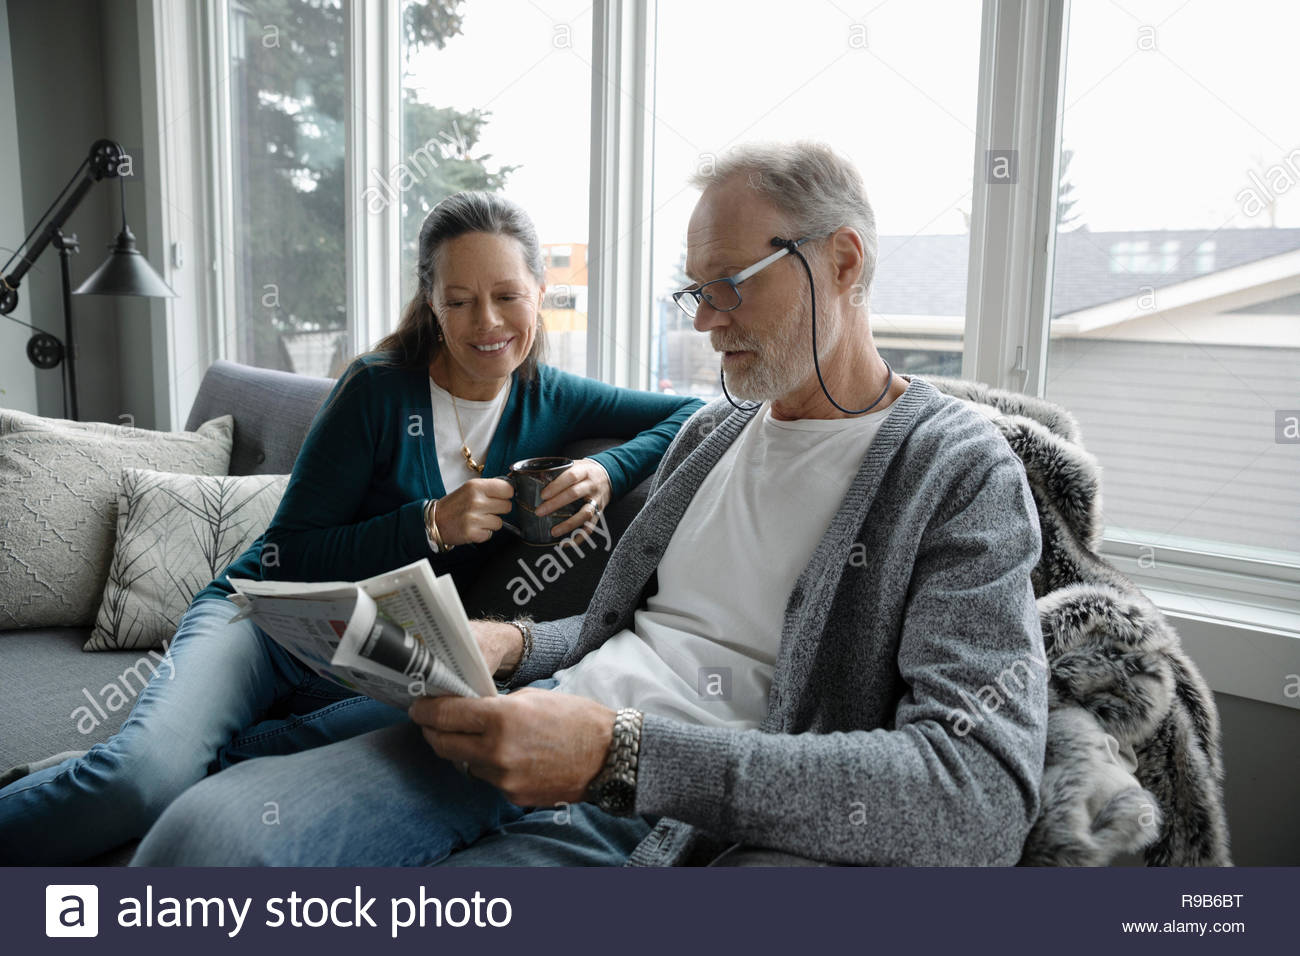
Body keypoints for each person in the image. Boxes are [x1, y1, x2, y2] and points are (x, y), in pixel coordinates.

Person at [131, 141, 1049, 868]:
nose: (701, 320)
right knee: (205, 841)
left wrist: (622, 757)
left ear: (842, 262)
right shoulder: (715, 433)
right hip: (535, 725)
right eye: (694, 290)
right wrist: (516, 644)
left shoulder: (956, 468)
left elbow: (977, 793)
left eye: (728, 286)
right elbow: (638, 635)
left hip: (653, 809)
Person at [0, 191, 702, 864]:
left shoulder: (551, 396)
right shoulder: (377, 389)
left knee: (438, 733)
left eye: (506, 295)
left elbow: (693, 414)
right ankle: (129, 768)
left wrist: (611, 470)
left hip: (376, 650)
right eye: (459, 300)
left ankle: (117, 767)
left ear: (539, 295)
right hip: (262, 618)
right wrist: (428, 524)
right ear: (432, 302)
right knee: (141, 781)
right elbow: (290, 553)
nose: (487, 322)